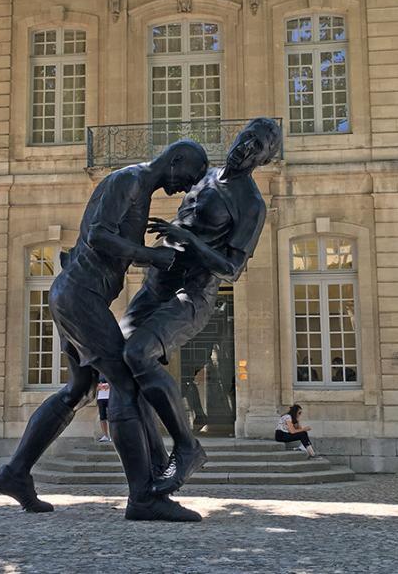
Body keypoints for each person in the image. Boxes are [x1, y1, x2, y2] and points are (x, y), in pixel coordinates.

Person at [0, 139, 208, 522]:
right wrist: (152, 256)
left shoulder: (139, 189)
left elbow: (109, 246)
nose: (183, 189)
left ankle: (15, 472)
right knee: (126, 383)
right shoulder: (129, 180)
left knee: (79, 388)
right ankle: (143, 497)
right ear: (174, 160)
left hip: (72, 294)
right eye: (187, 178)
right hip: (81, 297)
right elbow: (98, 236)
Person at [121, 118, 283, 495]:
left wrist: (188, 241)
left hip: (192, 295)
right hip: (159, 282)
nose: (245, 149)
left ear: (263, 159)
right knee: (117, 362)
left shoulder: (251, 204)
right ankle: (157, 463)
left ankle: (188, 446)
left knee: (136, 352)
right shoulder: (206, 175)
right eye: (246, 139)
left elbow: (232, 269)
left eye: (256, 147)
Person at [96, 374, 111, 442]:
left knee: (111, 417)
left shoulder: (111, 372)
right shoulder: (98, 375)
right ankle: (105, 435)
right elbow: (94, 387)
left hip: (111, 397)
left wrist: (109, 386)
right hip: (101, 398)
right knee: (102, 417)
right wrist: (98, 386)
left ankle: (112, 435)